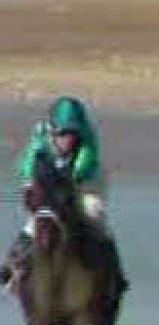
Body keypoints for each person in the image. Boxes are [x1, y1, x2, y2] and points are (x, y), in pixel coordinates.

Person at [0, 97, 109, 290]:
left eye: (72, 134)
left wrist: (65, 190)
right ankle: (12, 266)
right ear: (52, 130)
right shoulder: (40, 141)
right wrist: (32, 185)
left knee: (93, 212)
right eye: (62, 133)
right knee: (38, 220)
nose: (67, 139)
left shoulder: (87, 148)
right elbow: (27, 166)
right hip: (50, 176)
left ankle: (107, 273)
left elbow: (80, 170)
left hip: (85, 179)